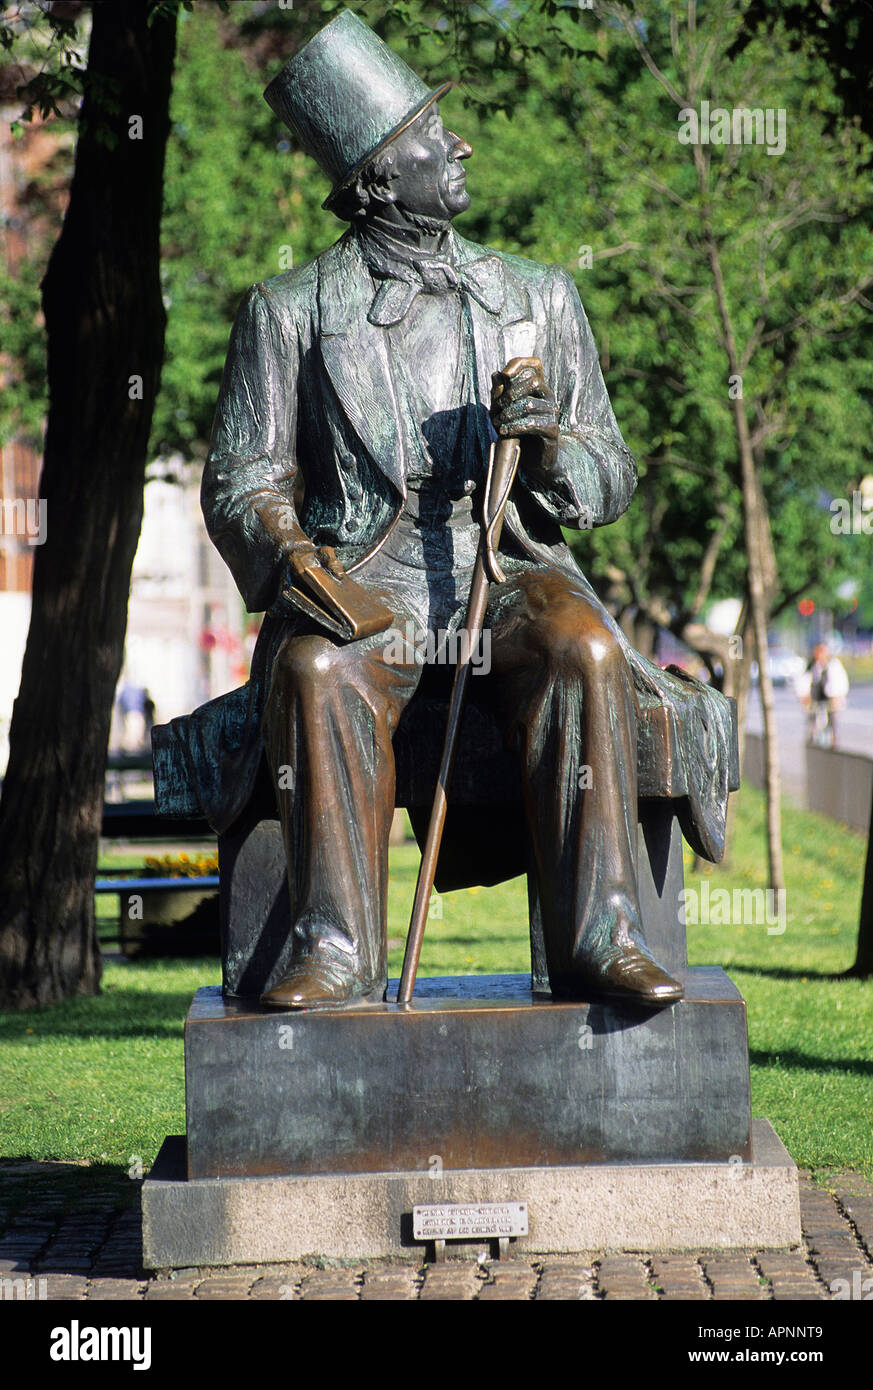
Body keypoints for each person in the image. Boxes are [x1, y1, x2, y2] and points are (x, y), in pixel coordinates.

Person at [198, 10, 735, 1010]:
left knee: (586, 650)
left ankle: (599, 935)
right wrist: (297, 561)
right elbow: (241, 478)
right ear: (373, 178)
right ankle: (333, 948)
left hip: (510, 567)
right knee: (317, 667)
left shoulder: (538, 296)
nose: (459, 142)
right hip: (371, 571)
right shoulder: (289, 311)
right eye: (428, 132)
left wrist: (547, 445)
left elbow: (607, 480)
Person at [796, 642, 849, 748]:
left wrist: (837, 696)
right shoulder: (810, 666)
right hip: (815, 696)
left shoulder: (833, 665)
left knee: (833, 715)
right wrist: (804, 696)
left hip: (829, 696)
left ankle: (834, 737)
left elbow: (840, 683)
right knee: (812, 714)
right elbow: (803, 682)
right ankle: (811, 734)